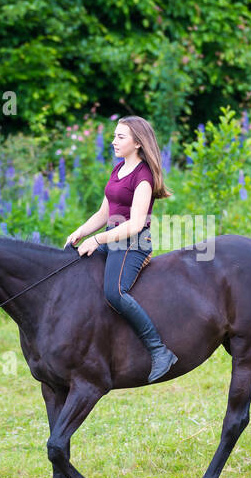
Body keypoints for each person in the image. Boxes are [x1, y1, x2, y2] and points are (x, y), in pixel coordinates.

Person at [65, 115, 178, 382]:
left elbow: (136, 224)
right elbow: (104, 212)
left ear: (138, 143)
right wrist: (82, 232)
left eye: (120, 137)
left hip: (134, 244)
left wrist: (97, 240)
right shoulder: (118, 170)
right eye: (115, 136)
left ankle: (159, 350)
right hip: (112, 239)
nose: (113, 141)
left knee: (114, 292)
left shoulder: (143, 177)